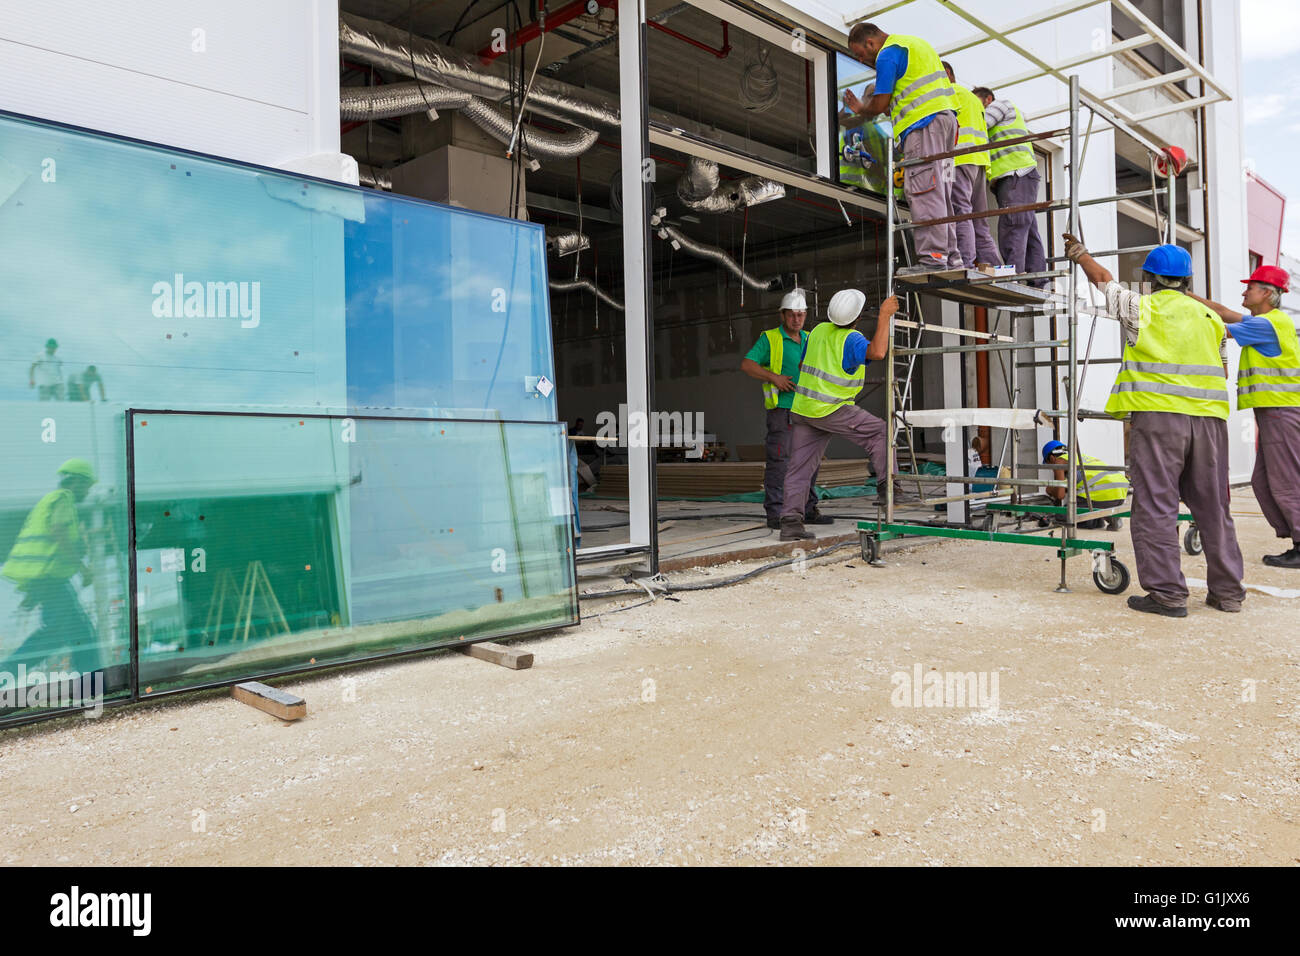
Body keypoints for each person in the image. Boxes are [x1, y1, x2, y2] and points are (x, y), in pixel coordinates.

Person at [1065, 234, 1245, 616]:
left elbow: (1103, 280)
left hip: (1160, 418)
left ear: (1148, 278)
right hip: (1210, 423)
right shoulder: (1212, 318)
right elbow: (1223, 368)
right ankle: (1228, 593)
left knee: (1156, 505)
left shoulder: (1139, 307)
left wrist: (1081, 255)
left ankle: (1168, 595)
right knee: (1214, 507)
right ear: (1188, 281)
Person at [1189, 265, 1300, 568]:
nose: (1244, 291)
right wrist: (1187, 296)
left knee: (1285, 480)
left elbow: (1218, 326)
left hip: (1281, 411)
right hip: (1275, 412)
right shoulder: (1267, 321)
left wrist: (1179, 306)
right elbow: (1223, 311)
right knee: (1262, 481)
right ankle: (1294, 539)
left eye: (1249, 287)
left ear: (1266, 293)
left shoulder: (1267, 325)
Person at [779, 291, 900, 540]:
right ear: (857, 316)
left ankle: (790, 523)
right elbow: (878, 352)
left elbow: (803, 366)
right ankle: (889, 489)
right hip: (831, 408)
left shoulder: (819, 331)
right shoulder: (852, 339)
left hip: (804, 409)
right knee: (881, 431)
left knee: (799, 468)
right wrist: (885, 316)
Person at [843, 22, 960, 275]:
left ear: (871, 43)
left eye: (861, 54)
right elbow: (894, 101)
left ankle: (933, 258)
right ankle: (951, 256)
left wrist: (861, 109)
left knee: (923, 189)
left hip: (922, 126)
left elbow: (879, 104)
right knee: (941, 191)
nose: (863, 61)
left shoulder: (887, 54)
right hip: (945, 122)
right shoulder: (916, 44)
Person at [741, 289, 832, 528]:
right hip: (783, 411)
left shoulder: (811, 339)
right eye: (792, 315)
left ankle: (808, 509)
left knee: (811, 462)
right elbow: (747, 364)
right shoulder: (770, 338)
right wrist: (774, 377)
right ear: (782, 315)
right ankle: (775, 513)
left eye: (801, 315)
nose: (797, 319)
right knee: (780, 462)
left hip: (809, 410)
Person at [1, 459, 99, 671]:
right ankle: (95, 687)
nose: (88, 492)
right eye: (87, 486)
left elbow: (42, 550)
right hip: (51, 581)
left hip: (46, 581)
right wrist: (83, 569)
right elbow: (58, 532)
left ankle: (94, 685)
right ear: (77, 482)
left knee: (75, 633)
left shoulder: (47, 502)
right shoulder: (63, 499)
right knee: (70, 633)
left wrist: (33, 593)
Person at [973, 87, 1046, 284]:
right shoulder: (1002, 112)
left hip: (1016, 174)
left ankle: (1011, 275)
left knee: (1013, 226)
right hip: (1017, 177)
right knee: (1026, 228)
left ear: (988, 99)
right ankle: (1038, 279)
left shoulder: (1000, 105)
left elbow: (980, 124)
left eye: (977, 103)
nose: (975, 108)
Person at [943, 63, 1002, 272]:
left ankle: (965, 262)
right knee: (978, 219)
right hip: (978, 162)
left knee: (960, 213)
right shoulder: (972, 98)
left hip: (959, 159)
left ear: (947, 74)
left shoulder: (949, 93)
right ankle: (995, 266)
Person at [1041, 439, 1129, 531]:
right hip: (1120, 493)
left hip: (1105, 494)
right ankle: (1111, 518)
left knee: (1061, 514)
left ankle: (1095, 521)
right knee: (1085, 503)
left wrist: (1051, 490)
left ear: (1052, 458)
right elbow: (1074, 484)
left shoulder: (1059, 462)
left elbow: (1060, 495)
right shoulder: (1078, 457)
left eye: (1049, 464)